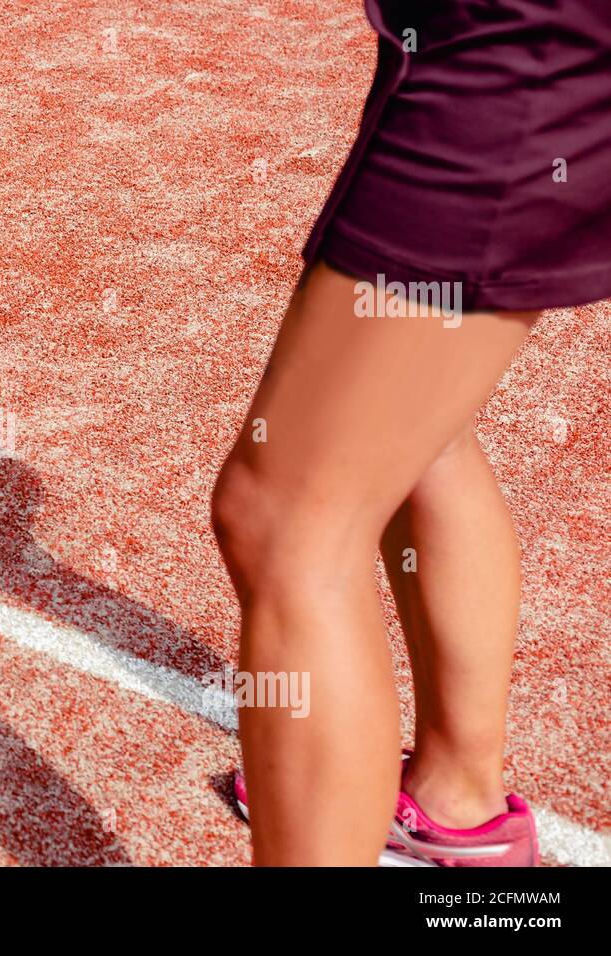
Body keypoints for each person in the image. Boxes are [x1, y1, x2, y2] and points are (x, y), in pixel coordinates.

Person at [214, 0, 611, 865]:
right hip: (518, 52)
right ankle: (458, 796)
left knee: (282, 520)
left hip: (517, 63)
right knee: (405, 421)